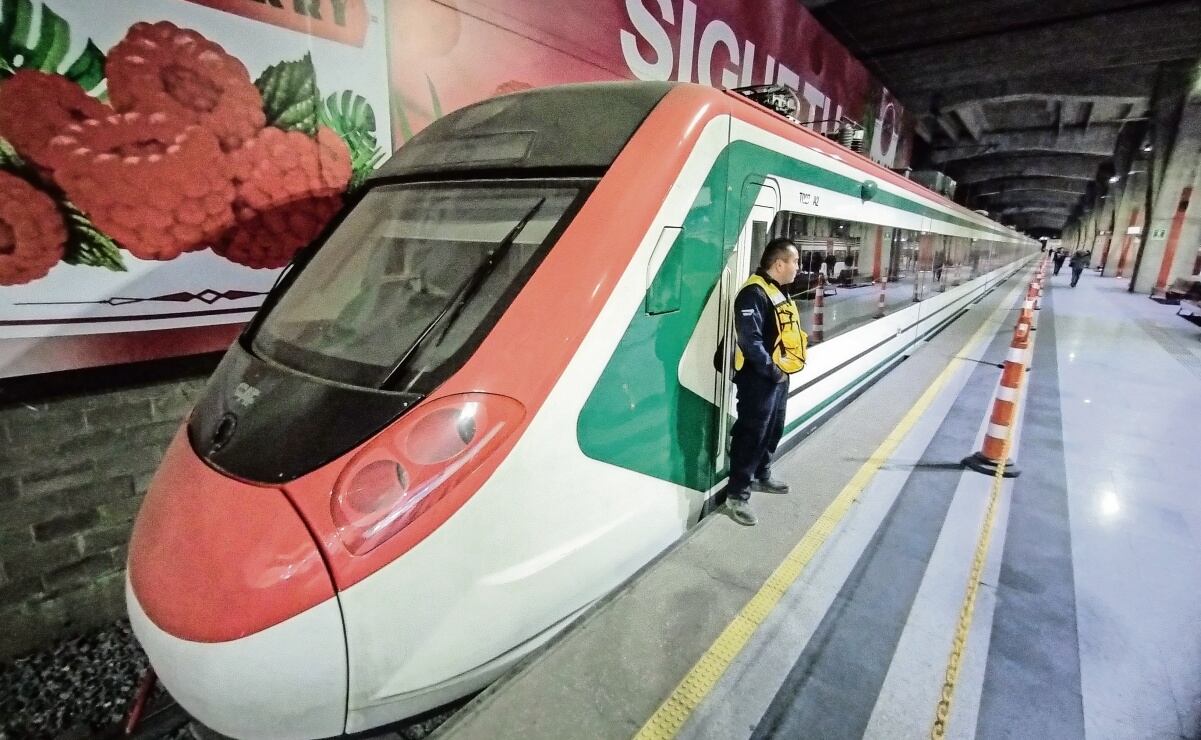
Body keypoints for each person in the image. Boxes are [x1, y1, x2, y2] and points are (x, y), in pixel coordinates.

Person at [724, 238, 808, 526]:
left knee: (774, 427)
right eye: (795, 261)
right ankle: (737, 495)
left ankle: (762, 474)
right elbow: (751, 341)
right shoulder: (753, 294)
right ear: (779, 264)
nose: (798, 267)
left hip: (778, 376)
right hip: (758, 378)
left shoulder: (779, 291)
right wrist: (774, 371)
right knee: (752, 434)